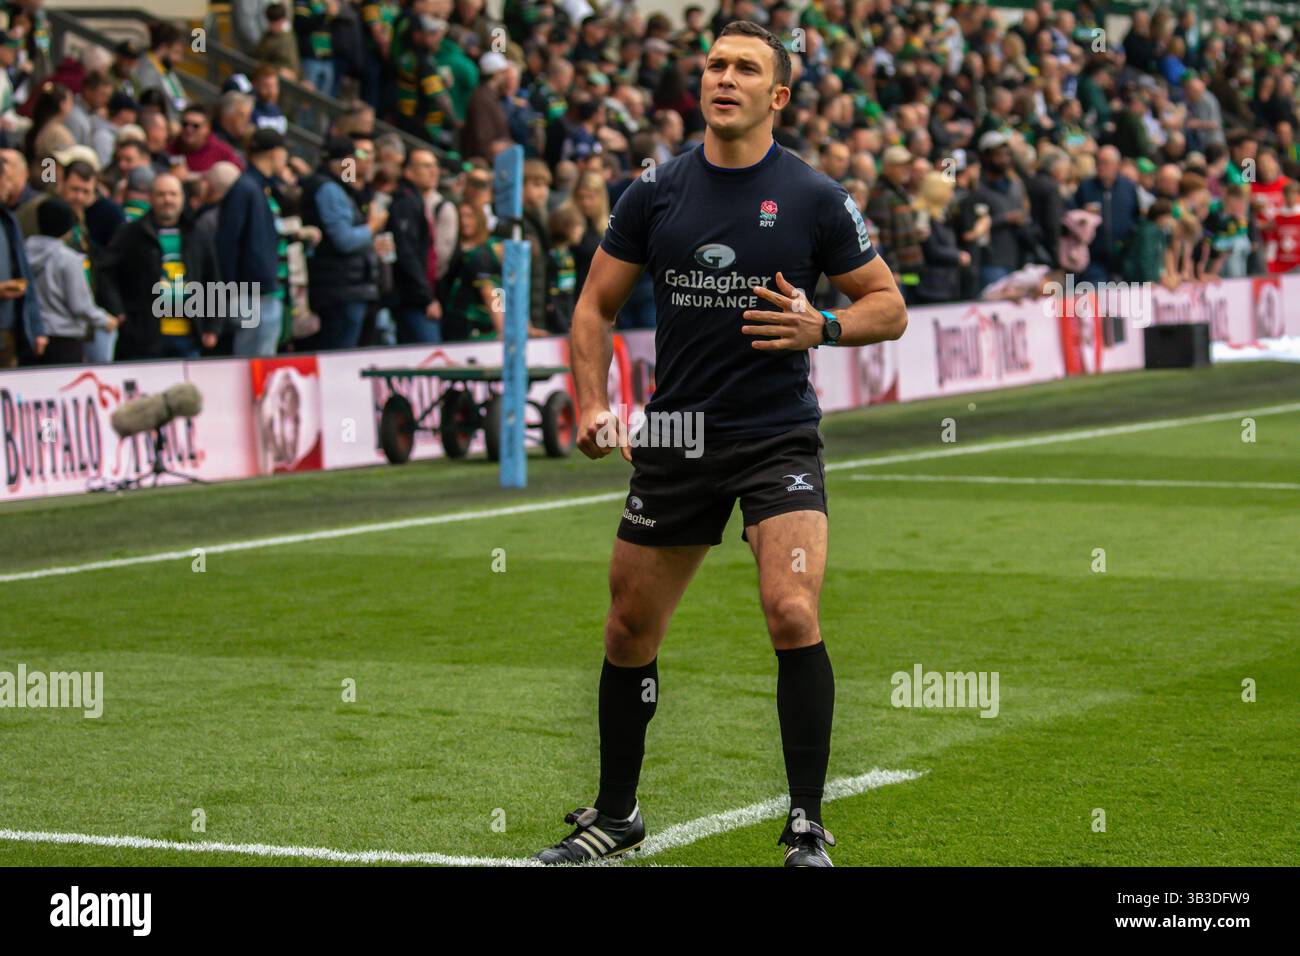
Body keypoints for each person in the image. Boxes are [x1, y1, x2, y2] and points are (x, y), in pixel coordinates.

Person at [532, 20, 906, 868]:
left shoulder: (814, 196)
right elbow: (593, 307)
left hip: (777, 438)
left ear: (777, 96)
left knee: (792, 608)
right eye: (714, 65)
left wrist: (827, 325)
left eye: (744, 68)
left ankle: (807, 822)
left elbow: (890, 303)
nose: (723, 78)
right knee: (629, 628)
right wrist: (595, 405)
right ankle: (618, 816)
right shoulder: (655, 190)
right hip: (675, 433)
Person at [97, 173, 210, 360]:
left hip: (189, 336)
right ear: (150, 198)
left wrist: (213, 325)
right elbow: (105, 272)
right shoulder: (131, 233)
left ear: (183, 198)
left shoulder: (197, 233)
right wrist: (118, 311)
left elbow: (212, 277)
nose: (167, 200)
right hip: (144, 338)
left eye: (173, 194)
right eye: (161, 194)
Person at [300, 135, 385, 349]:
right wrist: (373, 226)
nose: (361, 163)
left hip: (348, 285)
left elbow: (354, 191)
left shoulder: (341, 187)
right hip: (340, 288)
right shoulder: (329, 188)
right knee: (340, 352)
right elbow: (344, 240)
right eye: (356, 158)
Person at [216, 128, 290, 356]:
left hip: (265, 290)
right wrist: (229, 291)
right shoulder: (245, 188)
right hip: (251, 294)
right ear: (275, 153)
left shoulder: (261, 188)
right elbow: (226, 243)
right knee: (250, 364)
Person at [24, 196, 118, 364]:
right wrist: (104, 320)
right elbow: (79, 305)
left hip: (33, 334)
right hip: (65, 339)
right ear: (68, 227)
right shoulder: (69, 260)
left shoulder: (24, 253)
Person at [386, 145, 441, 342]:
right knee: (430, 359)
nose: (433, 171)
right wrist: (426, 298)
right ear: (408, 171)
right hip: (412, 300)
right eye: (426, 166)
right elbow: (407, 253)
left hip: (416, 296)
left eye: (435, 165)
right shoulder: (406, 202)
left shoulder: (415, 200)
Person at [0, 150, 44, 366]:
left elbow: (25, 273)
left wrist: (36, 327)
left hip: (8, 331)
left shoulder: (8, 221)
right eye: (5, 180)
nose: (9, 187)